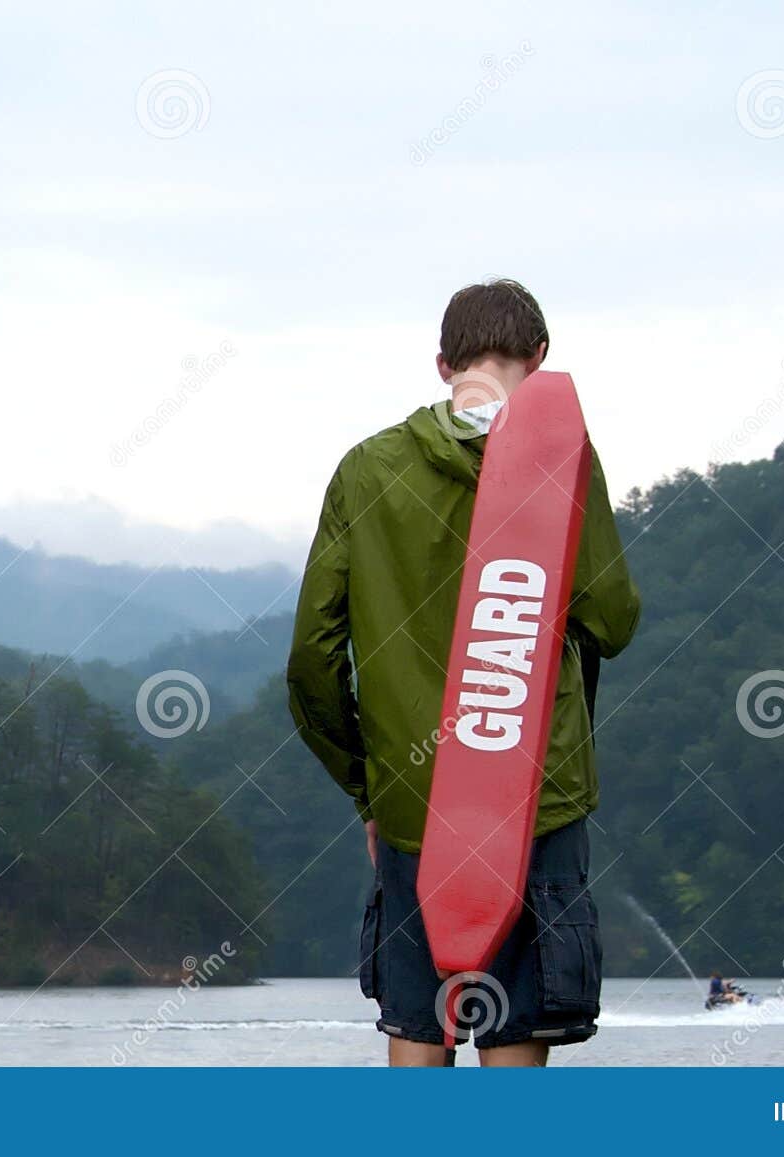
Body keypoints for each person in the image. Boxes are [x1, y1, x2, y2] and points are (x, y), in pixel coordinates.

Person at [286, 279, 641, 1067]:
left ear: (443, 364)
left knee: (418, 1031)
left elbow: (312, 658)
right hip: (536, 801)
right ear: (541, 357)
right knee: (515, 1046)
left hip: (416, 804)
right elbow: (612, 621)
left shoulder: (366, 469)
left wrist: (369, 788)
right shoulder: (568, 460)